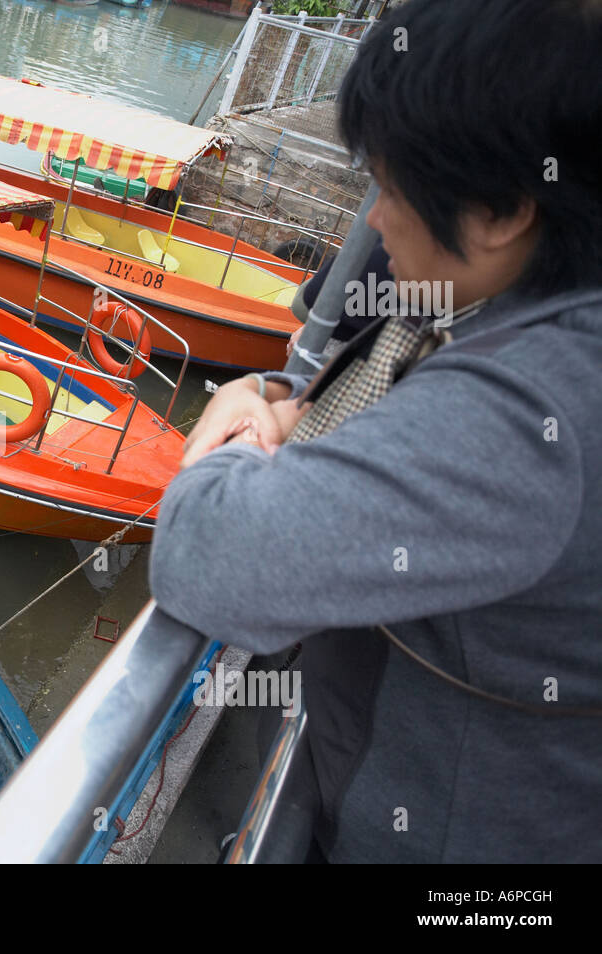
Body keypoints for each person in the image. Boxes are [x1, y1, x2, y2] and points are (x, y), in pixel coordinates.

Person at [150, 0, 602, 863]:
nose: (371, 221)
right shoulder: (521, 311)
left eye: (391, 188)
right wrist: (288, 400)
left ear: (505, 210)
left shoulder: (531, 417)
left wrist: (245, 423)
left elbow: (206, 557)